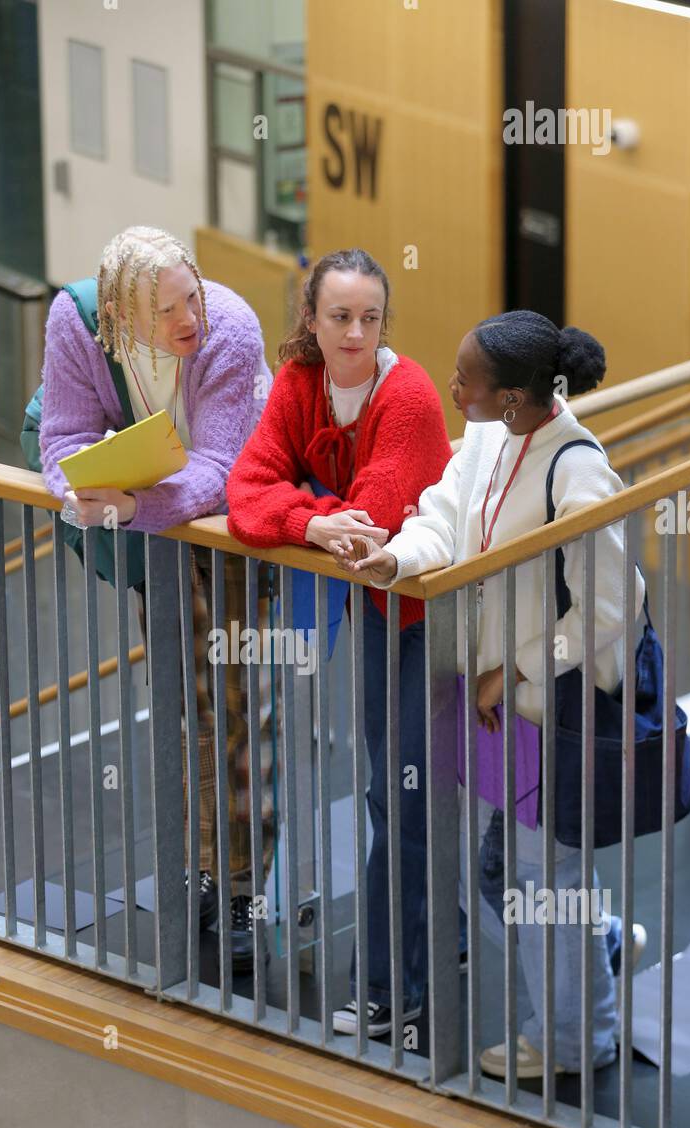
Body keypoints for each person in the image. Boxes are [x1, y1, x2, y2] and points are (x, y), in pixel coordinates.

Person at [337, 310, 648, 1076]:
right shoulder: (485, 438)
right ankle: (598, 949)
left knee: (539, 879)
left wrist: (513, 669)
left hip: (560, 710)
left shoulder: (575, 469)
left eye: (464, 377)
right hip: (519, 711)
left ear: (512, 396)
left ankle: (579, 1041)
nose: (450, 385)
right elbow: (443, 515)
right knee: (509, 874)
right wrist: (396, 559)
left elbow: (615, 605)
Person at [226, 248, 451, 1037]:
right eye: (339, 317)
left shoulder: (412, 398)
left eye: (370, 318)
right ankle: (439, 933)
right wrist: (313, 520)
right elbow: (245, 492)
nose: (355, 334)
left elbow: (376, 518)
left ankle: (395, 992)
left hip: (433, 609)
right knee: (402, 789)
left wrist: (317, 517)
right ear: (311, 322)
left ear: (385, 322)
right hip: (379, 605)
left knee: (408, 794)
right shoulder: (298, 384)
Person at [39, 225, 276, 971]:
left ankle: (242, 889)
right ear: (119, 320)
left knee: (237, 708)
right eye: (166, 311)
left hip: (230, 528)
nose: (188, 321)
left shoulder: (230, 329)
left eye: (192, 296)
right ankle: (203, 866)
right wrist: (81, 489)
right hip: (156, 527)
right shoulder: (76, 325)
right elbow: (64, 438)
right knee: (184, 705)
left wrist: (132, 508)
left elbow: (221, 463)